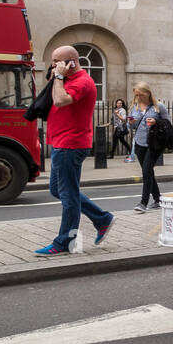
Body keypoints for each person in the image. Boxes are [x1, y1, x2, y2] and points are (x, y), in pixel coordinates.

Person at [34, 45, 114, 255]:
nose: (53, 66)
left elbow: (60, 101)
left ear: (71, 62)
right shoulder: (65, 79)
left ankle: (64, 242)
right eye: (53, 62)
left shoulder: (82, 82)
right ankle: (102, 218)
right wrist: (57, 77)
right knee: (57, 190)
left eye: (56, 62)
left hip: (71, 144)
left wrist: (59, 77)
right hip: (61, 143)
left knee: (68, 196)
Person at [128, 82, 164, 213]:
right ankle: (158, 199)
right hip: (139, 144)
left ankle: (143, 203)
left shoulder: (158, 106)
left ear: (148, 93)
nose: (139, 97)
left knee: (146, 172)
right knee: (148, 172)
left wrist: (156, 122)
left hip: (153, 144)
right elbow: (131, 127)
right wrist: (130, 123)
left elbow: (167, 123)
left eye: (141, 95)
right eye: (136, 95)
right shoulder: (135, 107)